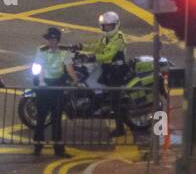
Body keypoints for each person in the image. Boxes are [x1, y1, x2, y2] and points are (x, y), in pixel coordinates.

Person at [79, 11, 128, 137]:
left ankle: (120, 128)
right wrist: (80, 47)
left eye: (109, 26)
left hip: (117, 71)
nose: (107, 28)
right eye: (105, 26)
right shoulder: (106, 38)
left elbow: (108, 54)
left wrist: (92, 58)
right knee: (91, 79)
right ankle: (96, 104)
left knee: (114, 98)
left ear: (116, 25)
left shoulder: (118, 39)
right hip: (107, 68)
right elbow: (98, 47)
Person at [31, 27, 70, 157]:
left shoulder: (64, 52)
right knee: (41, 118)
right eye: (47, 39)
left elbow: (69, 67)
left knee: (56, 119)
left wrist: (76, 80)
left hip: (57, 87)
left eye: (50, 39)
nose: (48, 41)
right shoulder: (41, 50)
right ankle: (37, 147)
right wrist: (41, 82)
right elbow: (40, 67)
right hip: (44, 87)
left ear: (56, 40)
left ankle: (58, 149)